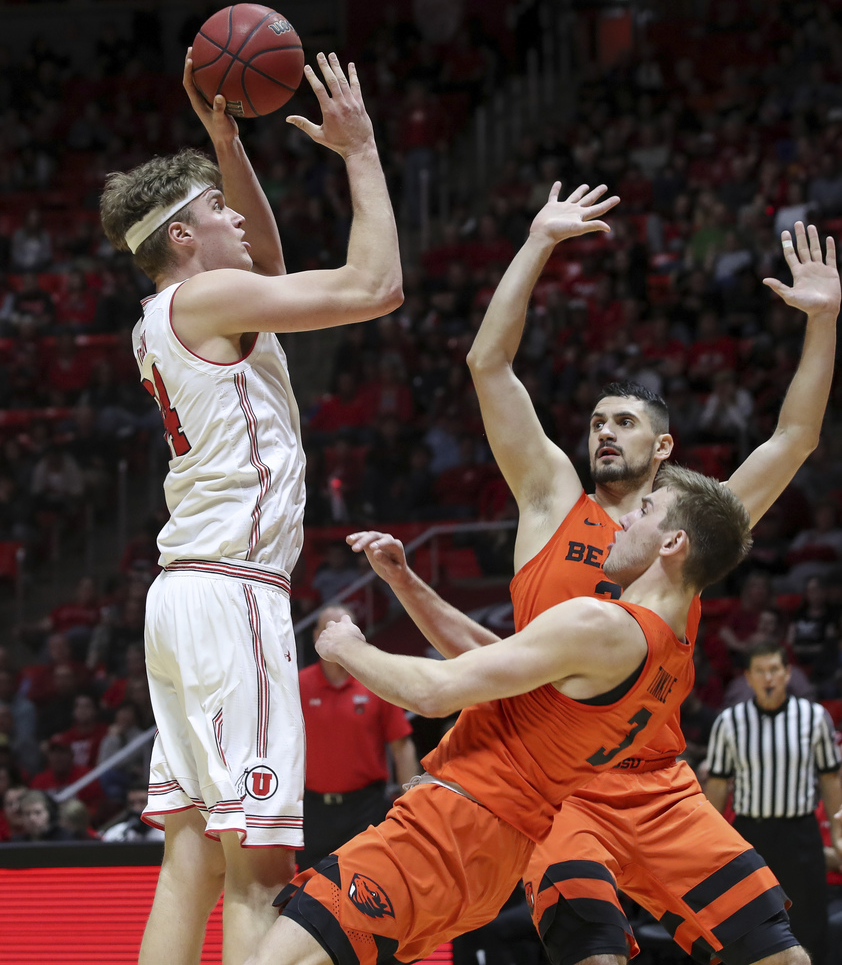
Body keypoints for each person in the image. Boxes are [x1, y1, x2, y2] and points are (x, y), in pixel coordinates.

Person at [462, 184, 840, 965]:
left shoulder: (691, 525)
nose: (604, 431)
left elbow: (794, 437)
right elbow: (488, 364)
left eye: (624, 422)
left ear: (663, 447)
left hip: (660, 783)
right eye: (597, 422)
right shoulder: (551, 499)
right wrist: (538, 241)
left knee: (784, 957)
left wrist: (824, 321)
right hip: (559, 784)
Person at [98, 49, 402, 965]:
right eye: (216, 209)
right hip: (233, 594)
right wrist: (360, 151)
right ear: (183, 238)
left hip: (185, 595)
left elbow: (265, 258)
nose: (235, 212)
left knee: (191, 857)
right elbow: (375, 288)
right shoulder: (210, 299)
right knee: (262, 871)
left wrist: (225, 144)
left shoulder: (171, 313)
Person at [243, 465, 756, 965]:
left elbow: (433, 694)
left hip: (448, 829)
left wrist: (347, 647)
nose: (623, 519)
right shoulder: (675, 662)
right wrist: (405, 581)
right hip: (493, 859)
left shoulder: (602, 624)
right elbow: (502, 667)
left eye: (644, 511)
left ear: (673, 543)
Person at [705, 640, 842, 965]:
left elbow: (830, 778)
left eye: (774, 670)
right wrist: (710, 842)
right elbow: (718, 784)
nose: (768, 678)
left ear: (787, 673)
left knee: (808, 924)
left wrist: (838, 833)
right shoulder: (729, 721)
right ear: (748, 678)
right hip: (750, 836)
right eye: (760, 671)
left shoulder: (814, 717)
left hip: (801, 834)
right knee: (748, 924)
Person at [297, 603, 419, 870]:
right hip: (313, 811)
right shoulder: (298, 686)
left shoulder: (375, 683)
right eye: (327, 629)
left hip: (366, 809)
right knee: (309, 887)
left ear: (356, 634)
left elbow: (402, 746)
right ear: (316, 636)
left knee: (369, 882)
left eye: (343, 629)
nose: (335, 636)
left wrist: (410, 805)